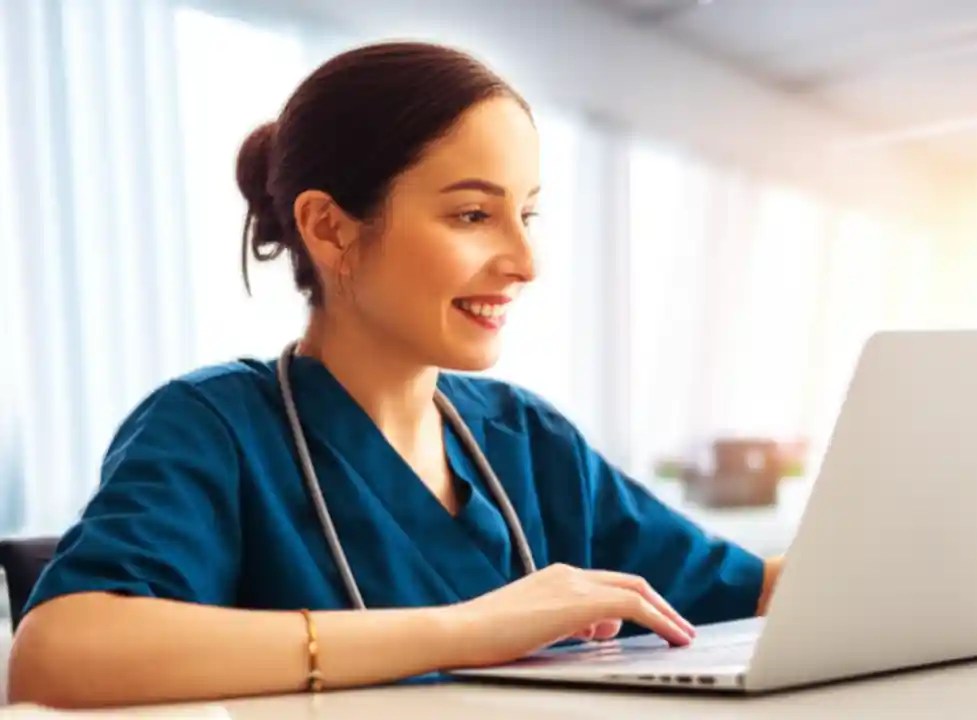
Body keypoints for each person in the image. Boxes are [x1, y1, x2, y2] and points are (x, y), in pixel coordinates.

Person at [7, 42, 783, 708]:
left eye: (529, 213)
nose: (525, 262)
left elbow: (752, 591)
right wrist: (467, 629)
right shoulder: (213, 428)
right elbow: (57, 655)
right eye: (473, 215)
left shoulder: (524, 437)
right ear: (330, 228)